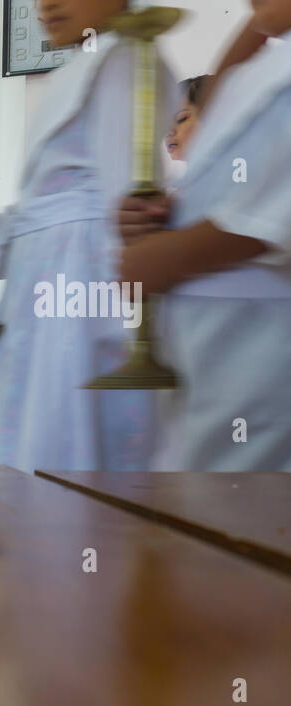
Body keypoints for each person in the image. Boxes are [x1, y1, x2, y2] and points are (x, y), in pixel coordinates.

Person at [0, 0, 177, 472]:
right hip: (42, 288)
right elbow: (44, 211)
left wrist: (120, 308)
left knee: (63, 438)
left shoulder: (129, 57)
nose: (45, 5)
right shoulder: (82, 66)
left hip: (81, 293)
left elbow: (127, 201)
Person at [118, 3, 291, 471]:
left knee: (243, 514)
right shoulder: (265, 70)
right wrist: (172, 216)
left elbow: (264, 220)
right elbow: (216, 111)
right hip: (211, 353)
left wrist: (162, 256)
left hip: (265, 353)